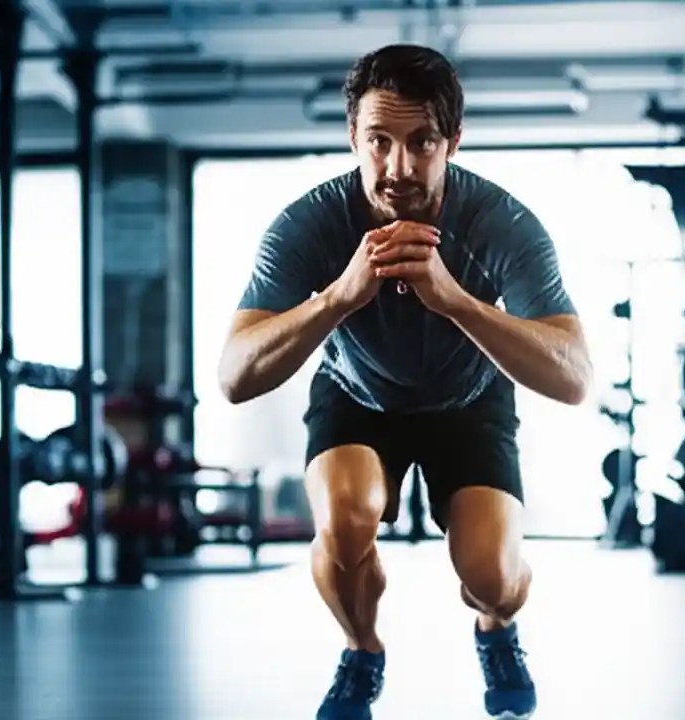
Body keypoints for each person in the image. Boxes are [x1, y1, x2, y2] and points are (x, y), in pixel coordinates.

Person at [217, 43, 591, 720]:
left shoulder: (500, 223)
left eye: (422, 143)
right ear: (352, 136)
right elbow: (234, 377)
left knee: (491, 578)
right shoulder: (311, 224)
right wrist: (338, 298)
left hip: (470, 400)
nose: (398, 167)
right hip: (356, 395)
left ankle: (497, 627)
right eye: (379, 141)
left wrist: (456, 302)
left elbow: (575, 378)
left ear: (453, 141)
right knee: (343, 523)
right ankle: (362, 649)